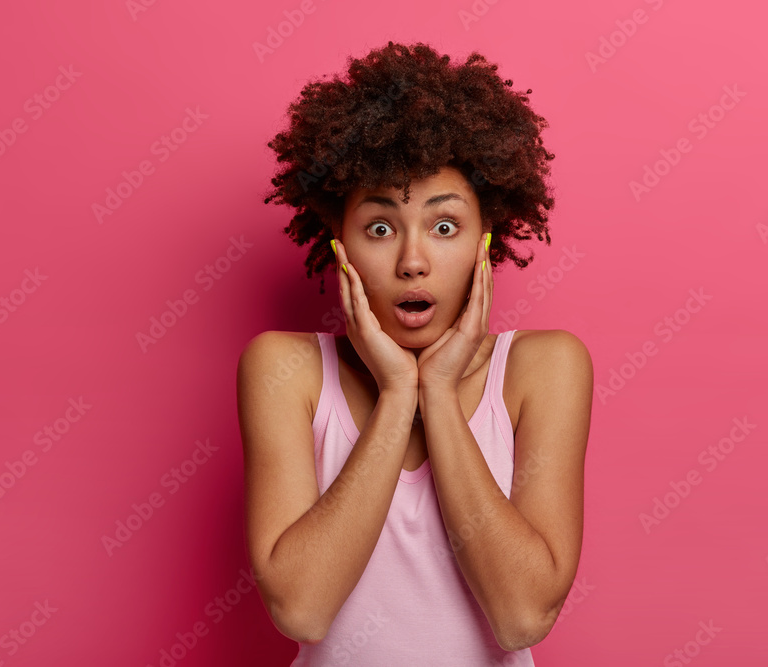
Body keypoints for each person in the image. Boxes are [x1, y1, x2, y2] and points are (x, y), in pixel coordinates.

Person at [238, 41, 593, 666]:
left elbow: (521, 618)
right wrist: (399, 391)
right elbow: (302, 609)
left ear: (487, 236)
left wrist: (439, 393)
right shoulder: (284, 369)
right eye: (379, 228)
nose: (412, 260)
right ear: (337, 239)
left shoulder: (545, 368)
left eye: (445, 225)